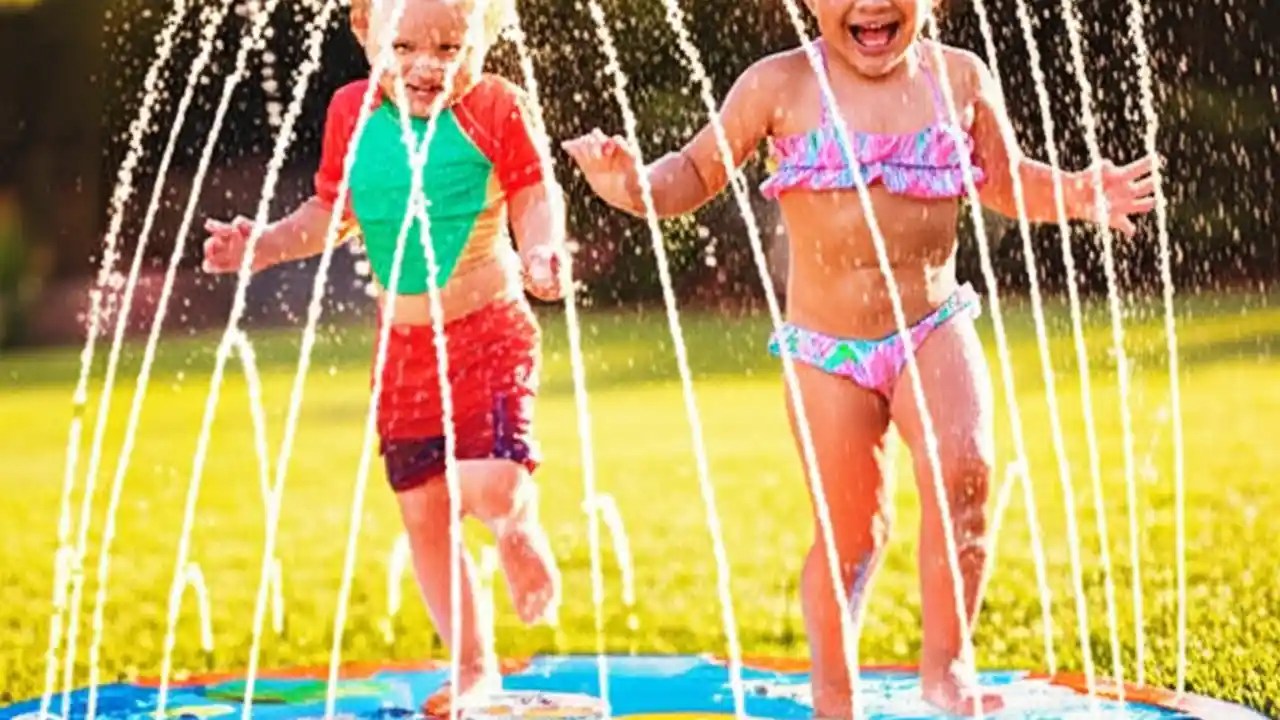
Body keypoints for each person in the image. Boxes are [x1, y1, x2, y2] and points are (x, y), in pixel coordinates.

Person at [561, 0, 1157, 715]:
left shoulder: (958, 78)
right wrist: (632, 185)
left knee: (966, 472)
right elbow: (694, 170)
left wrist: (1076, 193)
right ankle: (835, 693)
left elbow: (1004, 180)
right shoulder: (778, 85)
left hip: (931, 325)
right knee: (852, 534)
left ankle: (947, 668)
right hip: (825, 352)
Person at [202, 0, 566, 713]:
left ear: (486, 35)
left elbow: (534, 193)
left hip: (489, 332)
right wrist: (264, 245)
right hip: (402, 352)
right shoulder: (351, 111)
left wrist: (542, 247)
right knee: (424, 515)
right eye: (404, 47)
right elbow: (329, 215)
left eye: (451, 47)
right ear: (365, 30)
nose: (427, 66)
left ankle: (516, 528)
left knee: (491, 483)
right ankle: (472, 667)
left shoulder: (496, 106)